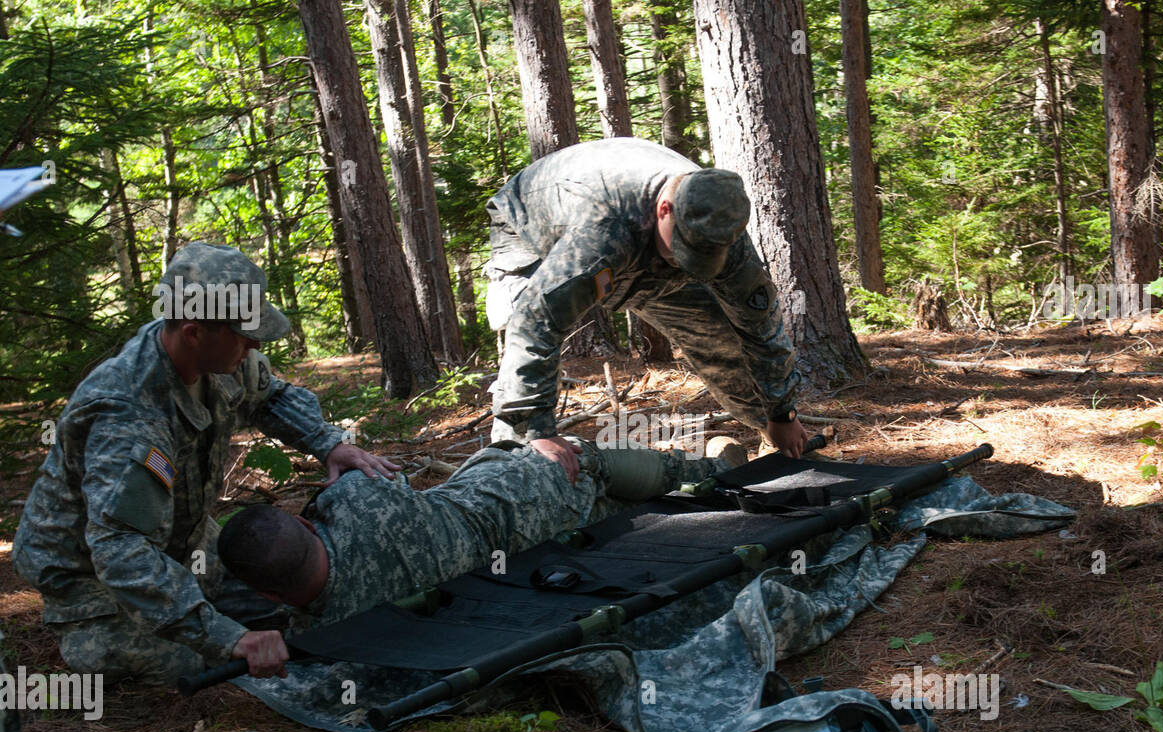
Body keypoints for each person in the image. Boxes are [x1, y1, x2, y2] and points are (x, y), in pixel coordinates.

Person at [13, 242, 398, 685]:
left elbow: (270, 394)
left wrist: (328, 443)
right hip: (89, 574)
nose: (255, 342)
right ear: (194, 331)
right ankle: (86, 628)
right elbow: (119, 548)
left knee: (303, 599)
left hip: (185, 540)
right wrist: (224, 636)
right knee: (191, 664)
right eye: (243, 332)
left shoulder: (220, 357)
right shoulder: (127, 415)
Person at [484, 137, 810, 482]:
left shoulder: (720, 225)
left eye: (704, 255)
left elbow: (760, 328)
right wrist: (537, 430)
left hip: (638, 241)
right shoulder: (603, 233)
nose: (688, 262)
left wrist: (781, 414)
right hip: (529, 229)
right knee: (525, 362)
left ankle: (773, 444)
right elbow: (536, 320)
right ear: (665, 209)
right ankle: (515, 472)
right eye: (685, 248)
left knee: (720, 335)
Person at [217, 439, 745, 628]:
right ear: (307, 523)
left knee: (602, 507)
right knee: (585, 462)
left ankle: (691, 485)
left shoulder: (328, 631)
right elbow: (373, 476)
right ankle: (707, 470)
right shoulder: (354, 502)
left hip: (521, 557)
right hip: (506, 507)